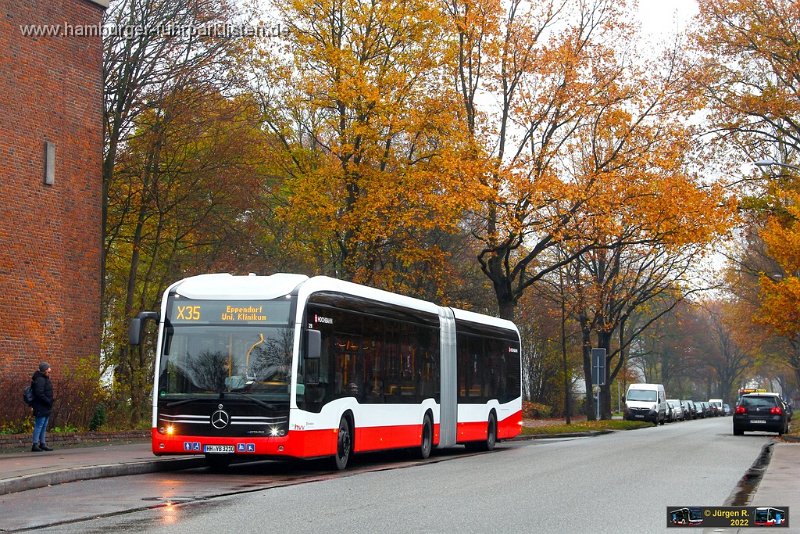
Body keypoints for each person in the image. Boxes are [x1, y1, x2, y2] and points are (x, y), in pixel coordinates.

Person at [30, 362, 54, 452]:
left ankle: (42, 443)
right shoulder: (40, 379)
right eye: (48, 368)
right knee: (39, 425)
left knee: (44, 425)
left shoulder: (44, 378)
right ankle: (35, 444)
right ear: (44, 370)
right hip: (41, 406)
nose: (50, 370)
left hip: (46, 406)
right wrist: (47, 400)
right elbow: (39, 393)